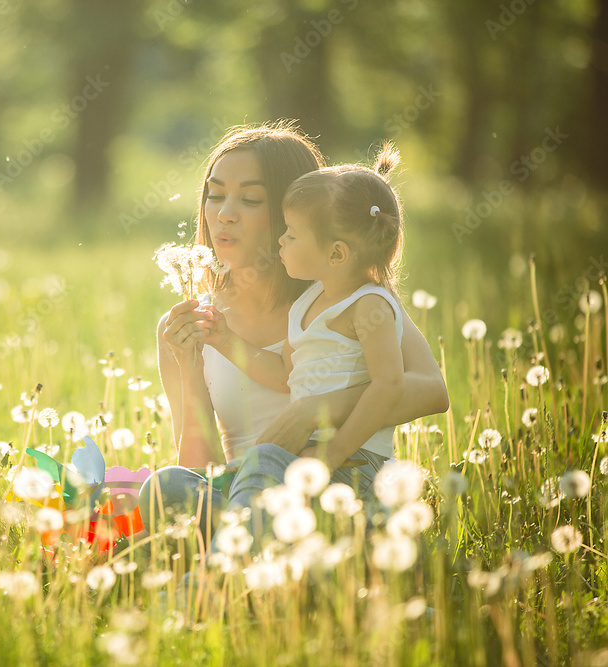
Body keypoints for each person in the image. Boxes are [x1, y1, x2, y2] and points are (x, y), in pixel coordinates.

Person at [139, 123, 448, 542]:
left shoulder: (342, 296)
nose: (223, 213)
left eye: (250, 199)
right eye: (214, 194)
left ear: (294, 211)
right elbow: (203, 472)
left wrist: (312, 410)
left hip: (324, 482)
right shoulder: (193, 324)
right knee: (165, 487)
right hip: (244, 492)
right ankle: (238, 553)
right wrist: (191, 365)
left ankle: (227, 568)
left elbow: (432, 389)